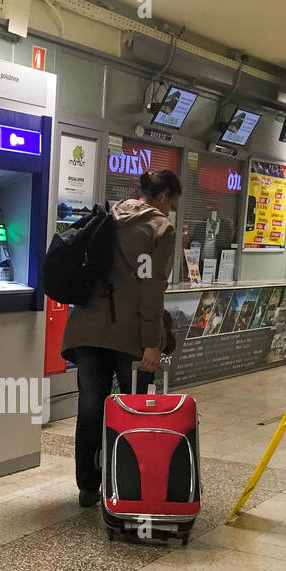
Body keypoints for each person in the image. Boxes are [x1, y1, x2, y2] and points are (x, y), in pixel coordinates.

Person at [62, 168, 179, 507]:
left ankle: (88, 487)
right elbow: (151, 288)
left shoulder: (109, 215)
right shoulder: (161, 228)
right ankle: (128, 483)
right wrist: (152, 342)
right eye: (171, 203)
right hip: (130, 335)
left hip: (85, 329)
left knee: (90, 410)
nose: (170, 209)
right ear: (163, 196)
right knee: (135, 410)